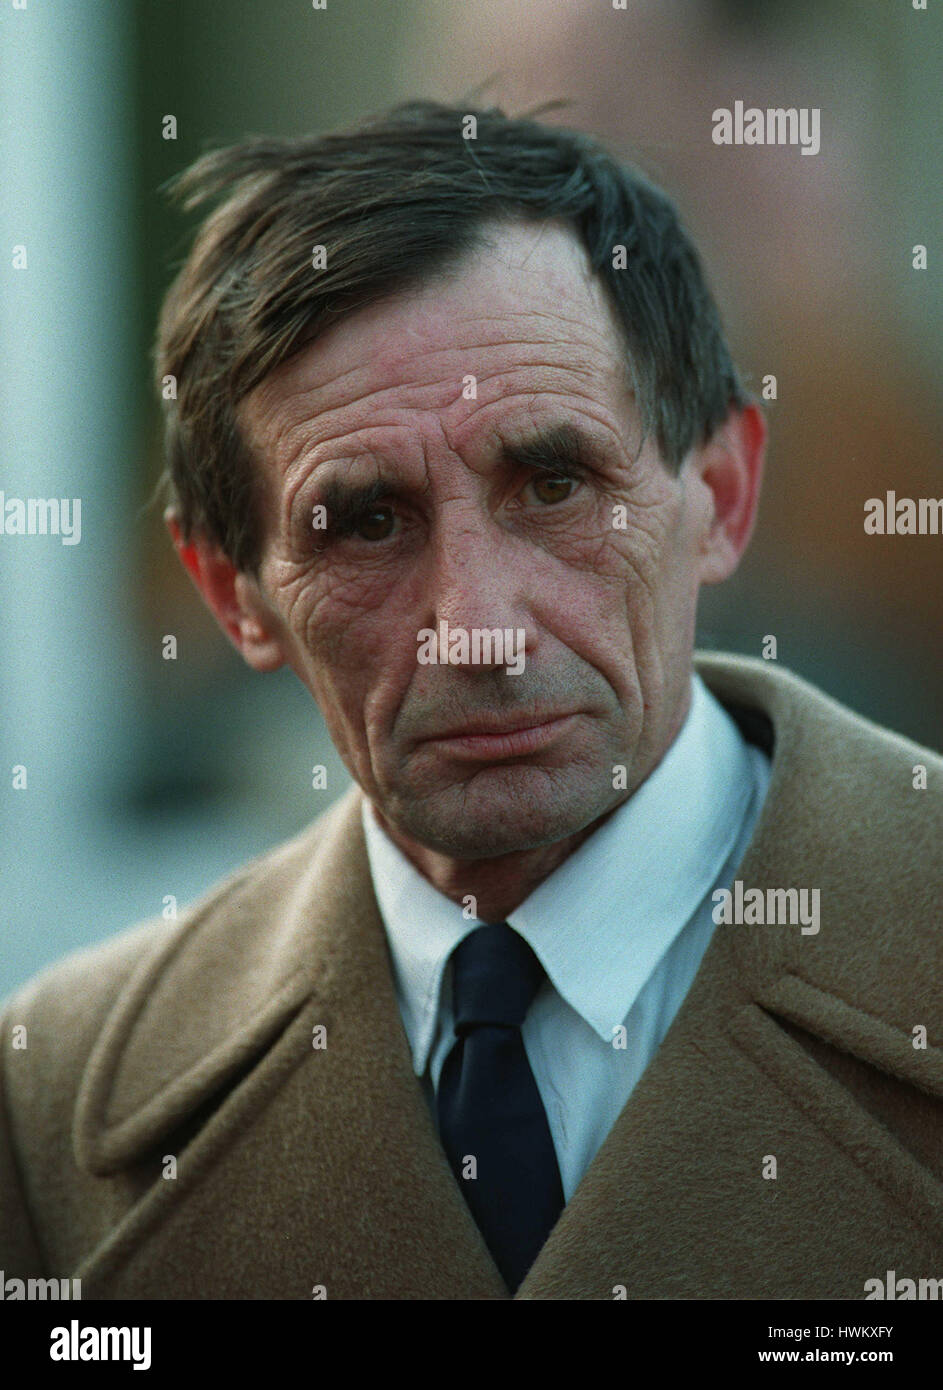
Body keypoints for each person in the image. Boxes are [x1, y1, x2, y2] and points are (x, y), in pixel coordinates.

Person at [2, 101, 941, 1302]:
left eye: (554, 483)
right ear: (232, 594)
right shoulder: (54, 1108)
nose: (479, 628)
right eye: (367, 524)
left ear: (721, 489)